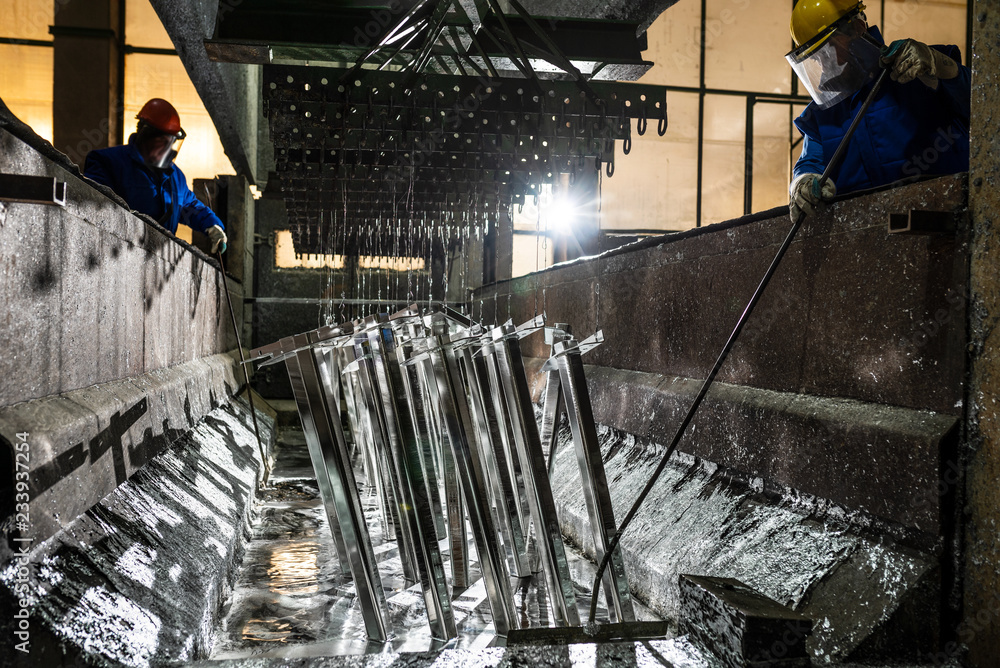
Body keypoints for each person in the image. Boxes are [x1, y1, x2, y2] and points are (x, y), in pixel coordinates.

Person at [786, 0, 970, 222]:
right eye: (818, 57)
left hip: (945, 225)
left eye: (831, 49)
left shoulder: (918, 73)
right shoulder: (823, 116)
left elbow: (981, 102)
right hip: (868, 240)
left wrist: (942, 66)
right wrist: (802, 181)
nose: (827, 64)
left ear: (858, 28)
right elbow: (811, 162)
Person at [84, 98, 228, 253]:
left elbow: (190, 206)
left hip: (157, 263)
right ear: (146, 136)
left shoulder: (176, 177)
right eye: (163, 143)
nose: (168, 150)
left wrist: (213, 225)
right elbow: (95, 207)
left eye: (170, 143)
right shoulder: (107, 162)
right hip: (116, 254)